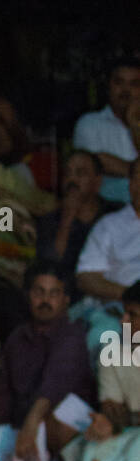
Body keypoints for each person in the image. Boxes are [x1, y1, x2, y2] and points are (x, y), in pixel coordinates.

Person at [0, 262, 95, 461]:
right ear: (28, 296)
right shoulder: (17, 338)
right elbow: (4, 394)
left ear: (65, 299)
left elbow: (54, 385)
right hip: (22, 427)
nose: (46, 300)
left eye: (54, 293)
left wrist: (32, 424)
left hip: (63, 426)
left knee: (53, 422)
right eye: (39, 292)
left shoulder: (72, 336)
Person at [61, 281, 140, 461]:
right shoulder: (113, 352)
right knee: (92, 442)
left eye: (133, 315)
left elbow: (122, 414)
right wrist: (108, 423)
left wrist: (125, 418)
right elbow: (113, 411)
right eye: (124, 313)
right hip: (129, 429)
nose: (123, 321)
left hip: (134, 431)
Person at [74, 156, 140, 355]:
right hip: (120, 310)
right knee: (103, 336)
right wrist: (132, 296)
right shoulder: (110, 225)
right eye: (137, 177)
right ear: (130, 184)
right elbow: (86, 278)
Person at [35, 150, 115, 300]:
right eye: (68, 173)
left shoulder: (114, 214)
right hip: (66, 300)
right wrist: (67, 219)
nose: (72, 179)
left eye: (80, 173)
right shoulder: (50, 220)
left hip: (110, 296)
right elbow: (50, 266)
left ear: (97, 182)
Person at [72, 56, 140, 206]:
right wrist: (135, 171)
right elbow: (92, 164)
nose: (126, 90)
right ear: (109, 86)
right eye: (119, 82)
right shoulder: (89, 123)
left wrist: (134, 124)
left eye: (134, 84)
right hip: (104, 210)